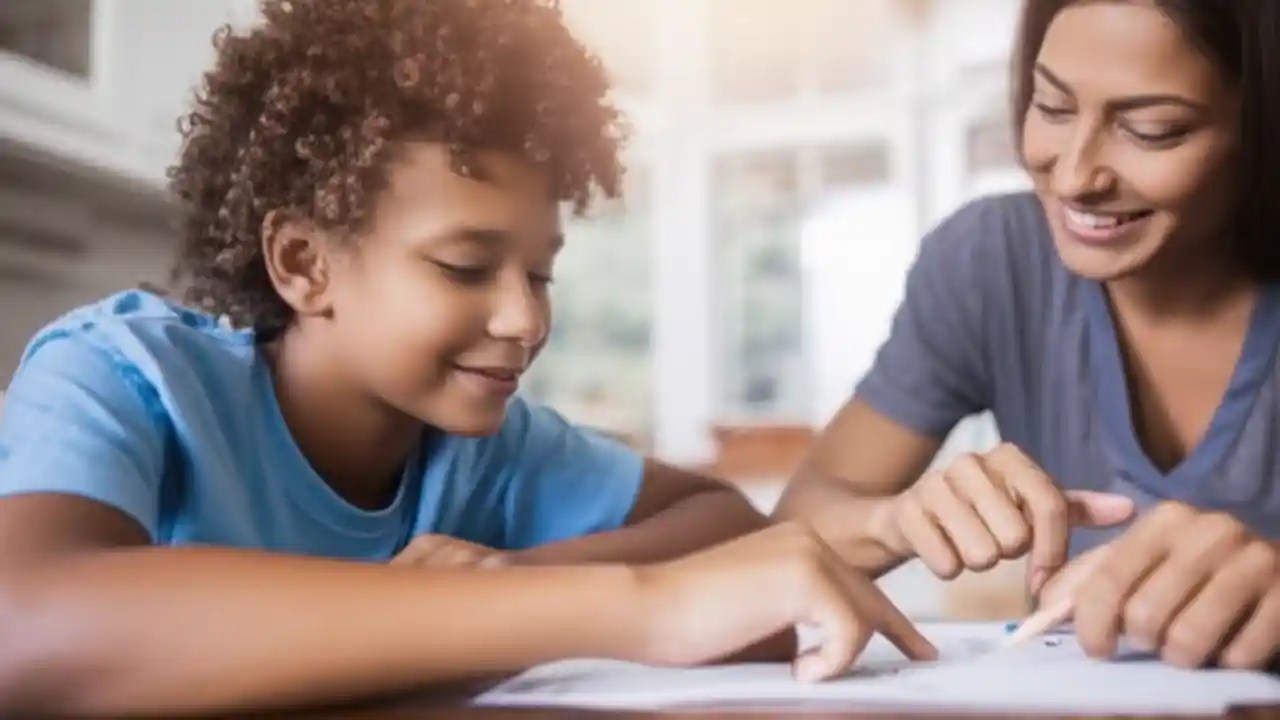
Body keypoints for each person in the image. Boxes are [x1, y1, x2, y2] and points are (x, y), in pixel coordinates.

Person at [0, 0, 935, 714]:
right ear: (302, 262)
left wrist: (506, 587)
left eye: (541, 272)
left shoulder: (490, 446)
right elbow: (25, 628)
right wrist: (636, 604)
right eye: (465, 266)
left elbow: (720, 521)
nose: (524, 319)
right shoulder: (123, 372)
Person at [777, 0, 1280, 670]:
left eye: (1153, 130)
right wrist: (893, 520)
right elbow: (783, 540)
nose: (1075, 177)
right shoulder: (995, 262)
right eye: (1052, 106)